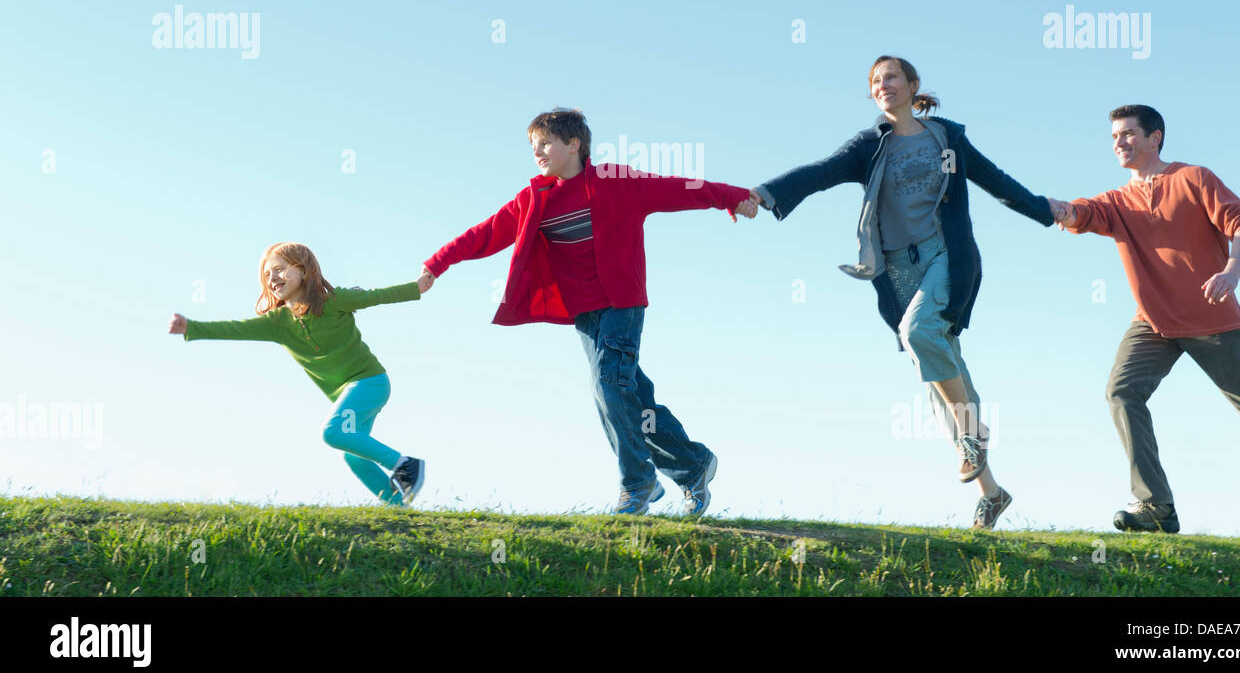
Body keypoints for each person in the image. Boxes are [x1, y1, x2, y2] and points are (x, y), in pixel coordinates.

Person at [750, 57, 1061, 529]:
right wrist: (765, 193)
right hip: (896, 268)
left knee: (920, 335)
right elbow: (820, 171)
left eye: (891, 76)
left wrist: (1044, 209)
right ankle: (991, 492)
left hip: (945, 255)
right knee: (938, 368)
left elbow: (994, 179)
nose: (883, 85)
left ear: (913, 84)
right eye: (876, 81)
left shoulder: (946, 138)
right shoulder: (869, 146)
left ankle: (974, 432)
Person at [421, 107, 756, 516]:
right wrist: (438, 263)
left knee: (608, 387)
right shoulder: (535, 198)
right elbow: (486, 234)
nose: (537, 152)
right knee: (627, 395)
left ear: (574, 144)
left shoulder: (617, 182)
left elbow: (680, 188)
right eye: (533, 146)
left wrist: (732, 197)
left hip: (622, 305)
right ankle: (693, 465)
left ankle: (639, 482)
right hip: (585, 315)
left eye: (545, 143)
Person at [1050, 104, 1240, 533]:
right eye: (1114, 137)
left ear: (1155, 137)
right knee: (1122, 391)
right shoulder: (1117, 201)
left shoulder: (1193, 178)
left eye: (1128, 133)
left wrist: (1231, 271)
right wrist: (1062, 210)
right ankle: (1155, 508)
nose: (1119, 143)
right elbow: (1084, 213)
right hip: (1153, 321)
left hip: (1211, 316)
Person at [169, 241, 432, 507]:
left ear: (304, 270)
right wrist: (192, 328)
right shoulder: (278, 323)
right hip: (349, 393)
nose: (273, 278)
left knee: (332, 433)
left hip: (370, 382)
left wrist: (417, 287)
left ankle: (405, 465)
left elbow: (376, 296)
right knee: (353, 455)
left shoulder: (334, 301)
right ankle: (397, 507)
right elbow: (235, 329)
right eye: (267, 275)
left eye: (280, 269)